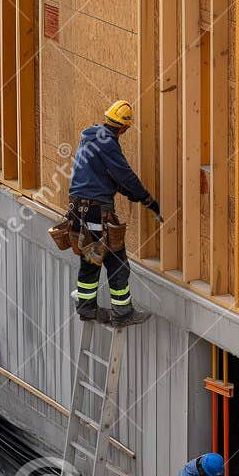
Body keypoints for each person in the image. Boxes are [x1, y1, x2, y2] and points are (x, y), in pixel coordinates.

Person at [67, 99, 161, 327]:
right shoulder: (108, 143)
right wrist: (147, 199)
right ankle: (122, 312)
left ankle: (86, 307)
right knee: (117, 262)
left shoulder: (89, 136)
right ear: (124, 127)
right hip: (97, 212)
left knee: (91, 259)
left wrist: (131, 194)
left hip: (79, 210)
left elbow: (106, 177)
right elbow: (124, 176)